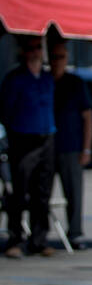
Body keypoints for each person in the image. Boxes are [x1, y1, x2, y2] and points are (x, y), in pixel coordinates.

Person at [0, 37, 57, 257]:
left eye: (38, 49)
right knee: (19, 192)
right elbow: (5, 109)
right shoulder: (15, 79)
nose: (35, 53)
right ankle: (15, 238)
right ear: (23, 52)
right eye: (31, 49)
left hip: (47, 137)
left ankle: (39, 240)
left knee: (42, 192)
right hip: (23, 138)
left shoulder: (47, 78)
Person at [49, 40, 92, 249]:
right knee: (41, 193)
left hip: (71, 146)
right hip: (46, 147)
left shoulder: (75, 83)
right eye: (54, 57)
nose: (57, 61)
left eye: (61, 57)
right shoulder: (45, 81)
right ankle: (39, 235)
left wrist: (86, 148)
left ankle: (75, 233)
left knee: (74, 192)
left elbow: (88, 117)